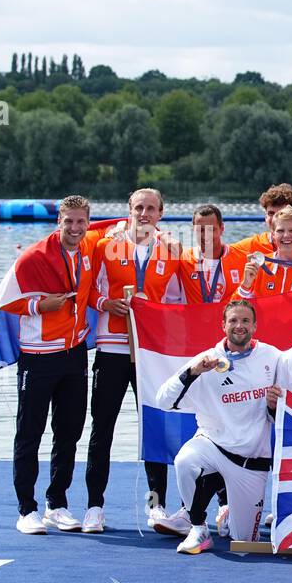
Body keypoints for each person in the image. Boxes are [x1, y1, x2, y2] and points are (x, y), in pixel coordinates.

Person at [85, 188, 189, 533]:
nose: (144, 214)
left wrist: (158, 317)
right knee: (103, 428)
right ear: (128, 211)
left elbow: (177, 300)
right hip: (112, 347)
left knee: (155, 426)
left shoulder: (172, 250)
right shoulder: (105, 246)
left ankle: (156, 505)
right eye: (138, 208)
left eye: (151, 209)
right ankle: (94, 507)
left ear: (160, 213)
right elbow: (90, 288)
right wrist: (104, 304)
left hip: (150, 352)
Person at [0, 195, 99, 535]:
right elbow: (5, 302)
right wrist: (40, 307)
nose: (74, 228)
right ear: (59, 221)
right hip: (38, 355)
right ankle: (26, 509)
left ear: (88, 222)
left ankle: (57, 503)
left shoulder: (90, 252)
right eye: (68, 221)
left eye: (80, 222)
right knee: (29, 433)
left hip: (75, 353)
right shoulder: (33, 257)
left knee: (69, 432)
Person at [152, 300, 281, 553]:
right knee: (185, 461)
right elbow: (163, 401)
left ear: (254, 326)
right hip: (212, 445)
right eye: (233, 321)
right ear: (223, 325)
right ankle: (197, 525)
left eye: (245, 321)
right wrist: (191, 373)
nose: (239, 326)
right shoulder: (206, 360)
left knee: (244, 542)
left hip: (251, 460)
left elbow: (288, 408)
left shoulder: (273, 358)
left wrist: (275, 406)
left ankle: (227, 510)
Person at [232, 206, 292, 300]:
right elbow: (235, 312)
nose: (286, 235)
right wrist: (245, 285)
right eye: (280, 231)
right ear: (273, 235)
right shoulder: (258, 267)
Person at [182, 204, 249, 304]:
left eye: (211, 230)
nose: (205, 236)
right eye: (201, 230)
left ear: (222, 229)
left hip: (229, 318)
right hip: (196, 318)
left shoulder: (242, 259)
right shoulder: (184, 260)